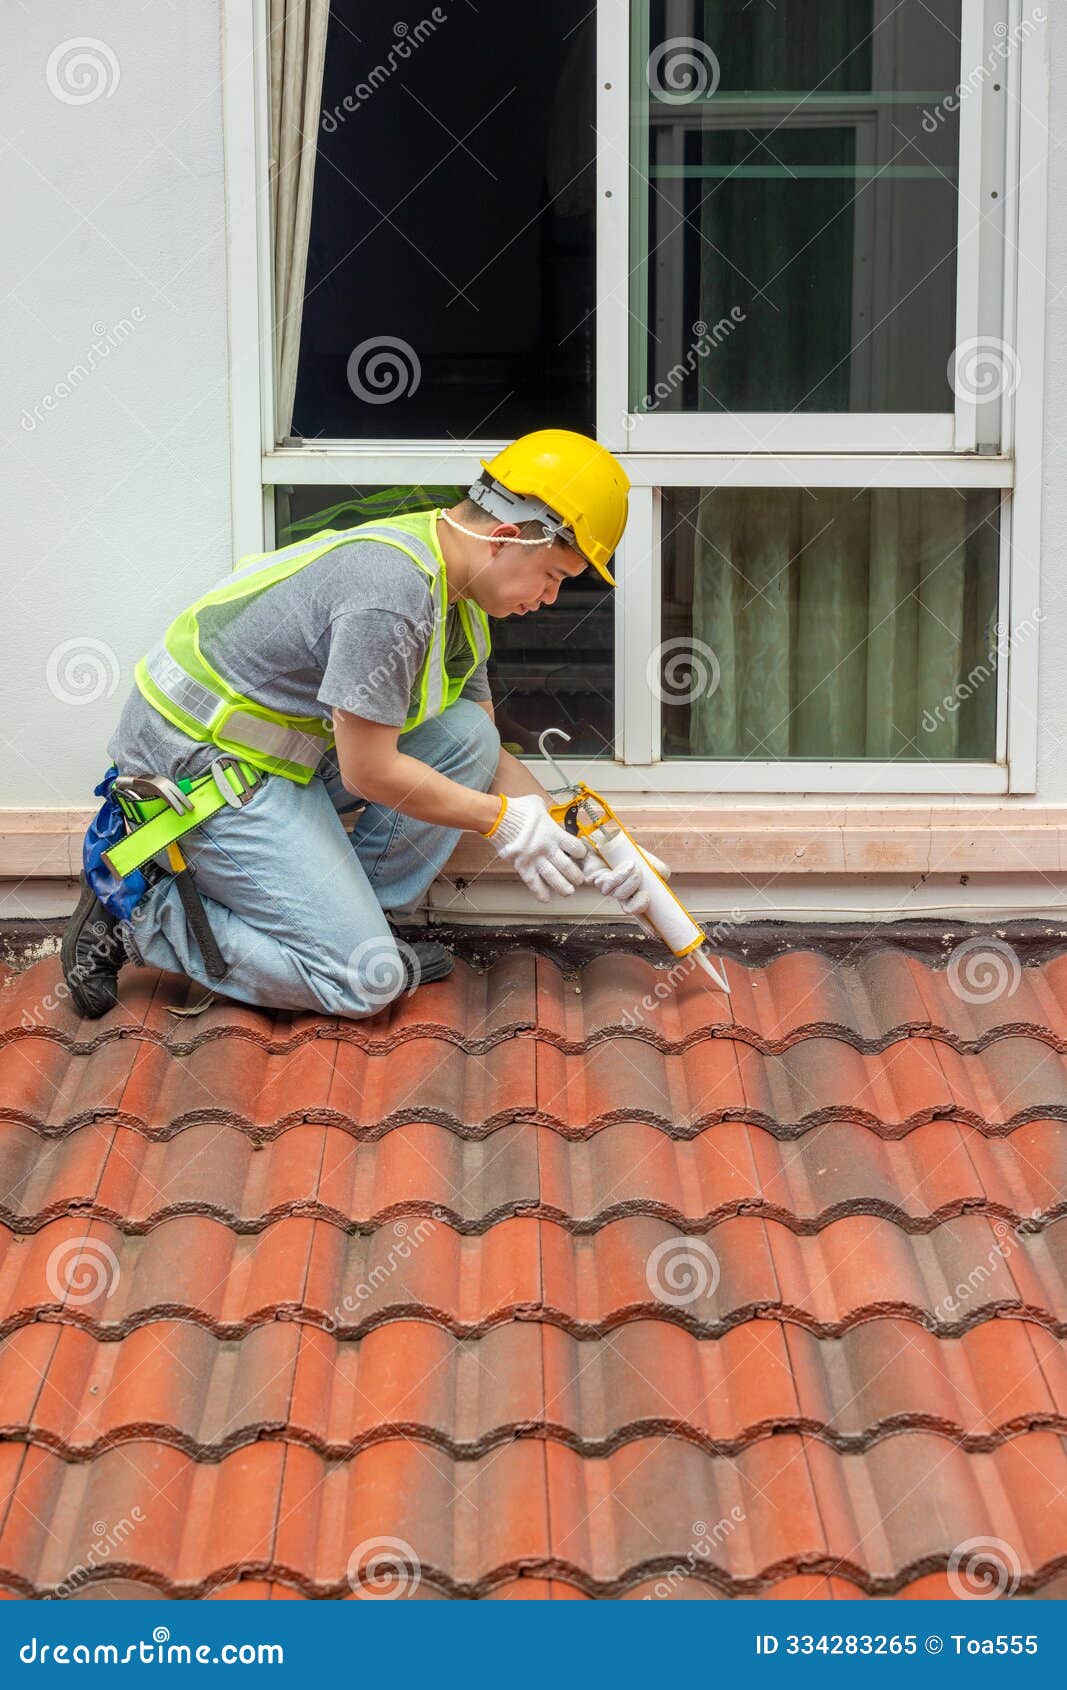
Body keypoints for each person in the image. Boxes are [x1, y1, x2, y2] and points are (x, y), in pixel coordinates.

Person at [61, 429, 662, 1020]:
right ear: (504, 537)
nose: (553, 598)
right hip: (197, 765)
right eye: (554, 576)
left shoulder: (460, 600)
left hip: (276, 750)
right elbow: (370, 771)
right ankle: (141, 913)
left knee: (467, 738)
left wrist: (594, 844)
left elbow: (486, 755)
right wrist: (501, 822)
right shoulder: (391, 594)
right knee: (363, 985)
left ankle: (364, 931)